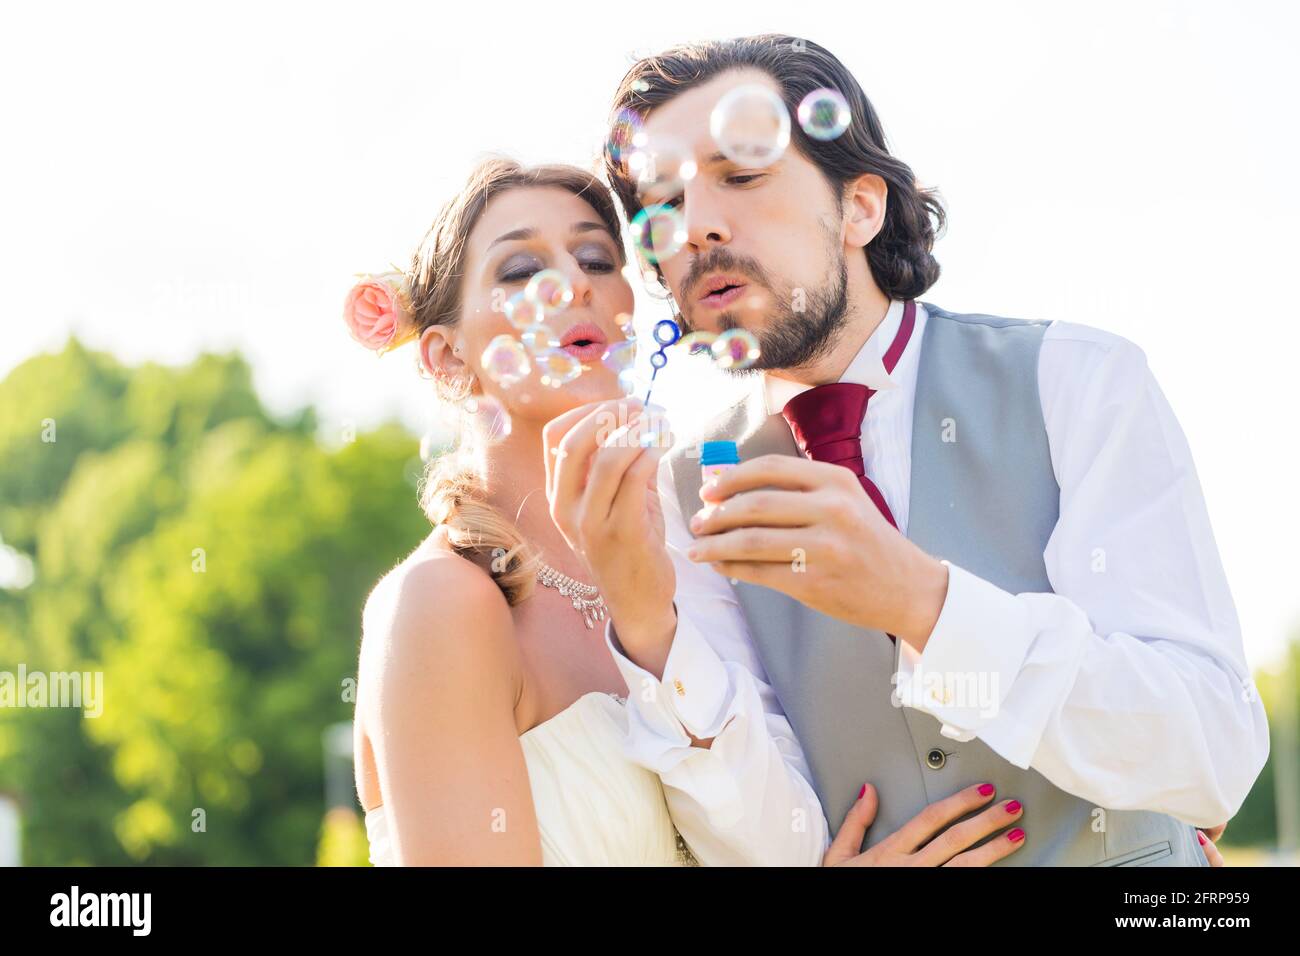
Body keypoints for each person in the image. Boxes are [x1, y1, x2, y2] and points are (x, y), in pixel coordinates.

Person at [543, 34, 1261, 865]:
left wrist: (925, 604)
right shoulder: (680, 493)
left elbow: (1215, 752)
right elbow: (762, 837)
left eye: (740, 175)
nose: (695, 226)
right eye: (661, 202)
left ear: (861, 207)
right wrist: (645, 622)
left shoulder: (1079, 379)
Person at [347, 157, 1065, 865]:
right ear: (445, 357)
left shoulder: (689, 557)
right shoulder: (443, 605)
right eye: (521, 272)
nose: (575, 284)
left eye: (598, 258)